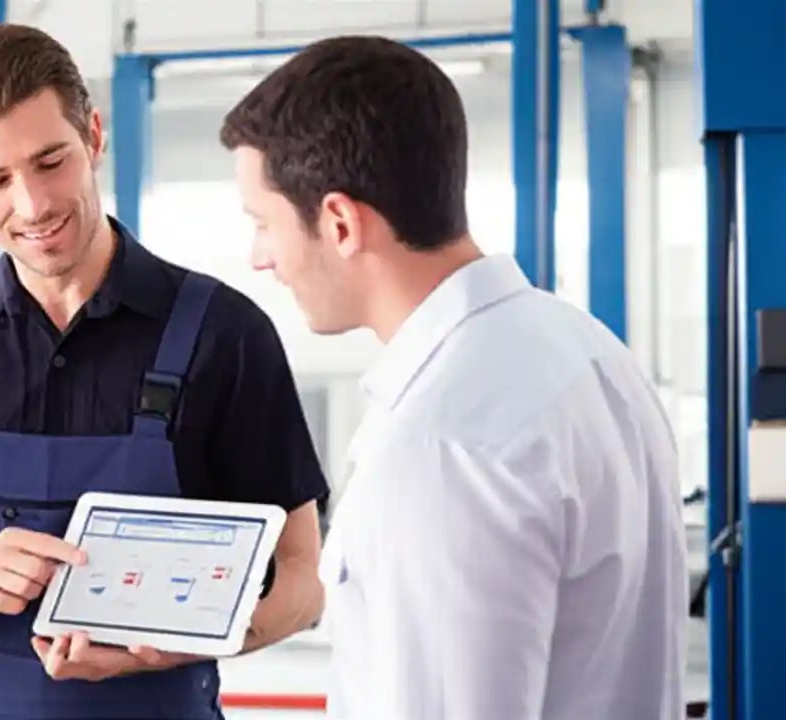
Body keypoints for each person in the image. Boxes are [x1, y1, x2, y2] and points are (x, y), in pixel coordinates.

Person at [0, 23, 330, 720]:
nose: (33, 206)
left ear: (93, 136)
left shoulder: (225, 337)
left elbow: (304, 581)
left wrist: (185, 643)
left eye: (50, 161)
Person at [220, 36, 688, 720]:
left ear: (341, 223)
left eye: (264, 224)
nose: (261, 258)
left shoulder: (441, 441)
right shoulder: (588, 354)